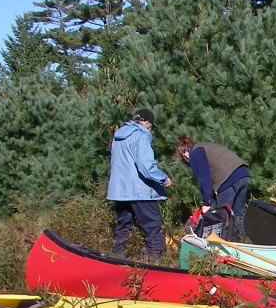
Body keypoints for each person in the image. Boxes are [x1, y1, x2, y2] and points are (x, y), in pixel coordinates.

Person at [106, 108, 172, 261]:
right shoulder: (141, 136)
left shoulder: (119, 136)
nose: (150, 130)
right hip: (139, 190)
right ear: (146, 122)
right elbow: (146, 166)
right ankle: (155, 262)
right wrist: (163, 178)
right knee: (153, 226)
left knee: (124, 226)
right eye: (151, 127)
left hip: (119, 191)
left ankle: (119, 259)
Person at [175, 134, 250, 241]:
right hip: (243, 173)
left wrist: (207, 202)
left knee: (221, 219)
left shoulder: (195, 153)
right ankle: (242, 241)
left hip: (227, 179)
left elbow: (204, 179)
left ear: (184, 154)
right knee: (238, 215)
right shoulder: (204, 146)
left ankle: (220, 248)